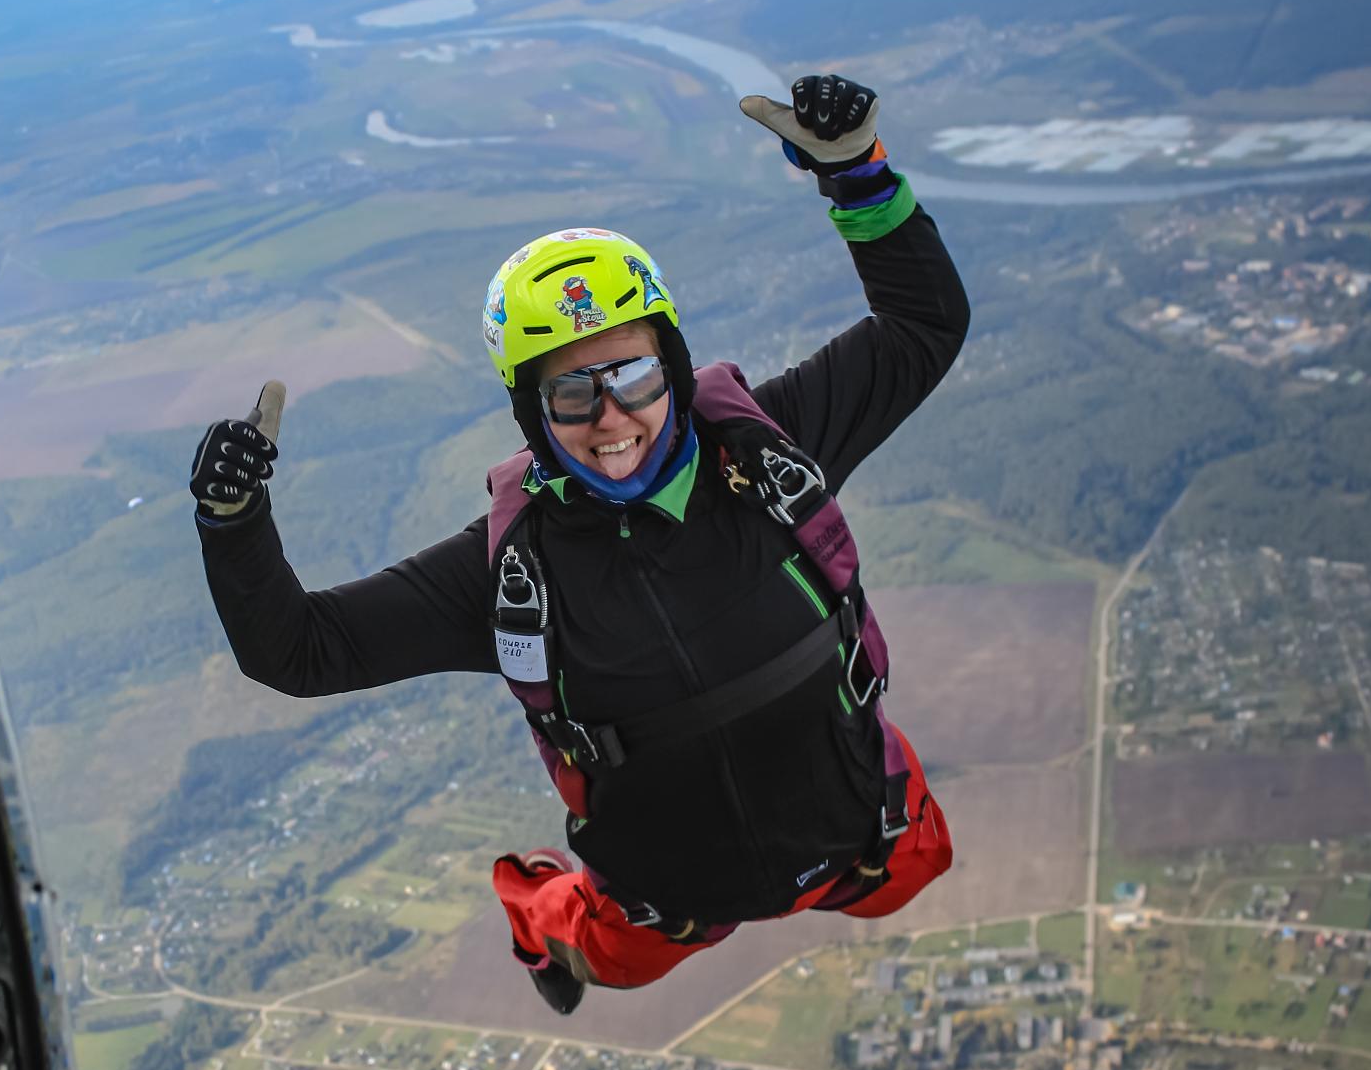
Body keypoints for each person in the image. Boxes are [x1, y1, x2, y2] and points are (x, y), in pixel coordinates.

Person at [190, 75, 967, 1014]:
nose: (611, 419)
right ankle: (538, 913)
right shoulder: (508, 574)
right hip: (659, 907)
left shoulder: (773, 450)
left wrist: (860, 177)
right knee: (593, 950)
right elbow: (297, 651)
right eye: (569, 395)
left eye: (633, 373)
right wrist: (233, 525)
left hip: (861, 836)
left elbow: (922, 328)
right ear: (531, 412)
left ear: (674, 364)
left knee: (928, 865)